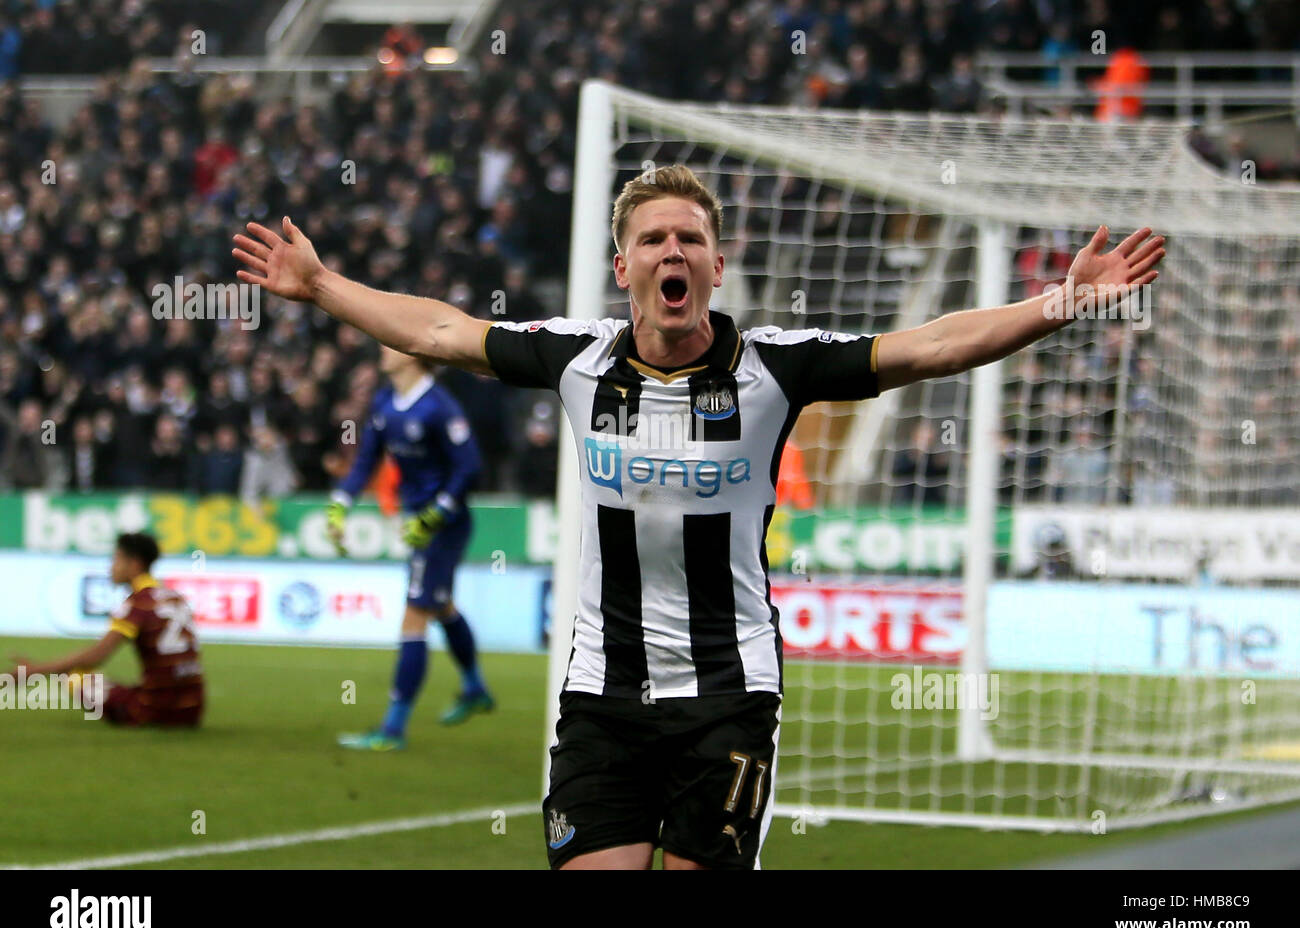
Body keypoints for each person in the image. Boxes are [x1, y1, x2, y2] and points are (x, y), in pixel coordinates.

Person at [233, 164, 1164, 869]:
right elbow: (435, 330)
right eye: (652, 239)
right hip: (600, 693)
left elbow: (930, 347)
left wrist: (1062, 300)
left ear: (717, 263)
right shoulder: (576, 359)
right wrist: (320, 287)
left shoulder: (778, 367)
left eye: (688, 238)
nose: (671, 252)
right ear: (622, 264)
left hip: (727, 691)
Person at [328, 345, 491, 750]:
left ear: (411, 355)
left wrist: (435, 515)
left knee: (414, 615)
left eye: (388, 345)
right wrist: (341, 503)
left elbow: (469, 467)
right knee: (440, 606)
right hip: (417, 521)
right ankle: (473, 688)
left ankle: (392, 729)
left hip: (443, 526)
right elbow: (367, 460)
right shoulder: (386, 401)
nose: (381, 350)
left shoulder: (439, 407)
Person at [6, 532, 203, 727]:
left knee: (76, 676)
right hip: (193, 709)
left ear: (134, 565)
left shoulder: (138, 604)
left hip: (154, 709)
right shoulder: (175, 597)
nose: (111, 567)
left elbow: (96, 656)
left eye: (116, 560)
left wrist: (35, 671)